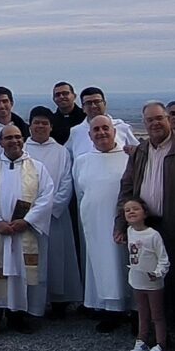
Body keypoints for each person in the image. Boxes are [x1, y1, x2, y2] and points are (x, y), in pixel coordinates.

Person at [115, 102, 175, 351]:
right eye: (149, 120)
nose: (155, 123)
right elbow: (126, 190)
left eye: (159, 118)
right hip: (146, 228)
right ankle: (159, 338)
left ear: (168, 119)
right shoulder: (141, 151)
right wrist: (122, 224)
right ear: (144, 123)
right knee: (152, 285)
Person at [0, 123, 56, 337]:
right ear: (0, 143)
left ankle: (18, 316)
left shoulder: (37, 168)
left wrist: (27, 221)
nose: (14, 141)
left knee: (20, 273)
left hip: (23, 232)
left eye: (18, 137)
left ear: (23, 139)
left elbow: (46, 198)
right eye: (8, 138)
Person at [68, 115, 131, 329]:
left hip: (124, 223)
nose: (101, 133)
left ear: (114, 131)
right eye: (96, 130)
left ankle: (133, 308)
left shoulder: (129, 157)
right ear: (90, 135)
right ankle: (109, 309)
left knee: (125, 264)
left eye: (106, 128)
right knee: (101, 264)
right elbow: (80, 190)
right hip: (95, 222)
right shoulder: (83, 160)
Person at [22, 108, 78, 317]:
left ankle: (58, 301)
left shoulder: (61, 152)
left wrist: (49, 209)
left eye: (45, 123)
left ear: (51, 127)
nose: (40, 126)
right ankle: (30, 303)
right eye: (36, 122)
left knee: (56, 258)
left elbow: (66, 183)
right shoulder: (23, 148)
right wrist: (30, 214)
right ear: (30, 125)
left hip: (55, 217)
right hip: (27, 218)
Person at [121, 196, 170, 351]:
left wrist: (157, 273)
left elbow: (163, 258)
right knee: (142, 312)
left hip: (153, 283)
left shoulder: (153, 235)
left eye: (135, 208)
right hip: (137, 280)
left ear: (145, 213)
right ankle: (142, 340)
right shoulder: (129, 231)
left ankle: (161, 344)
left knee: (157, 314)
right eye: (127, 210)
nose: (131, 212)